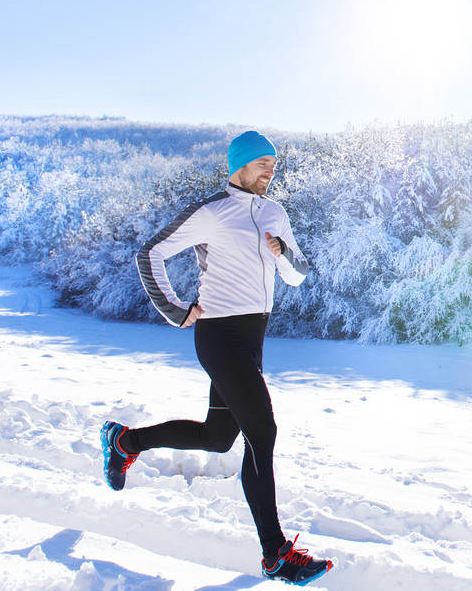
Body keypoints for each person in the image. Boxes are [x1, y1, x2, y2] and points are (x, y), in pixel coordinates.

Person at [100, 129, 332, 586]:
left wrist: (282, 250)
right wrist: (176, 309)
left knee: (217, 437)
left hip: (252, 339)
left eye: (274, 163)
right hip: (219, 335)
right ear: (239, 165)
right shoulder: (213, 212)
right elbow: (151, 254)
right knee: (261, 431)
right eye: (263, 162)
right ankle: (275, 554)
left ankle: (125, 442)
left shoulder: (274, 213)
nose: (271, 169)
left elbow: (298, 275)